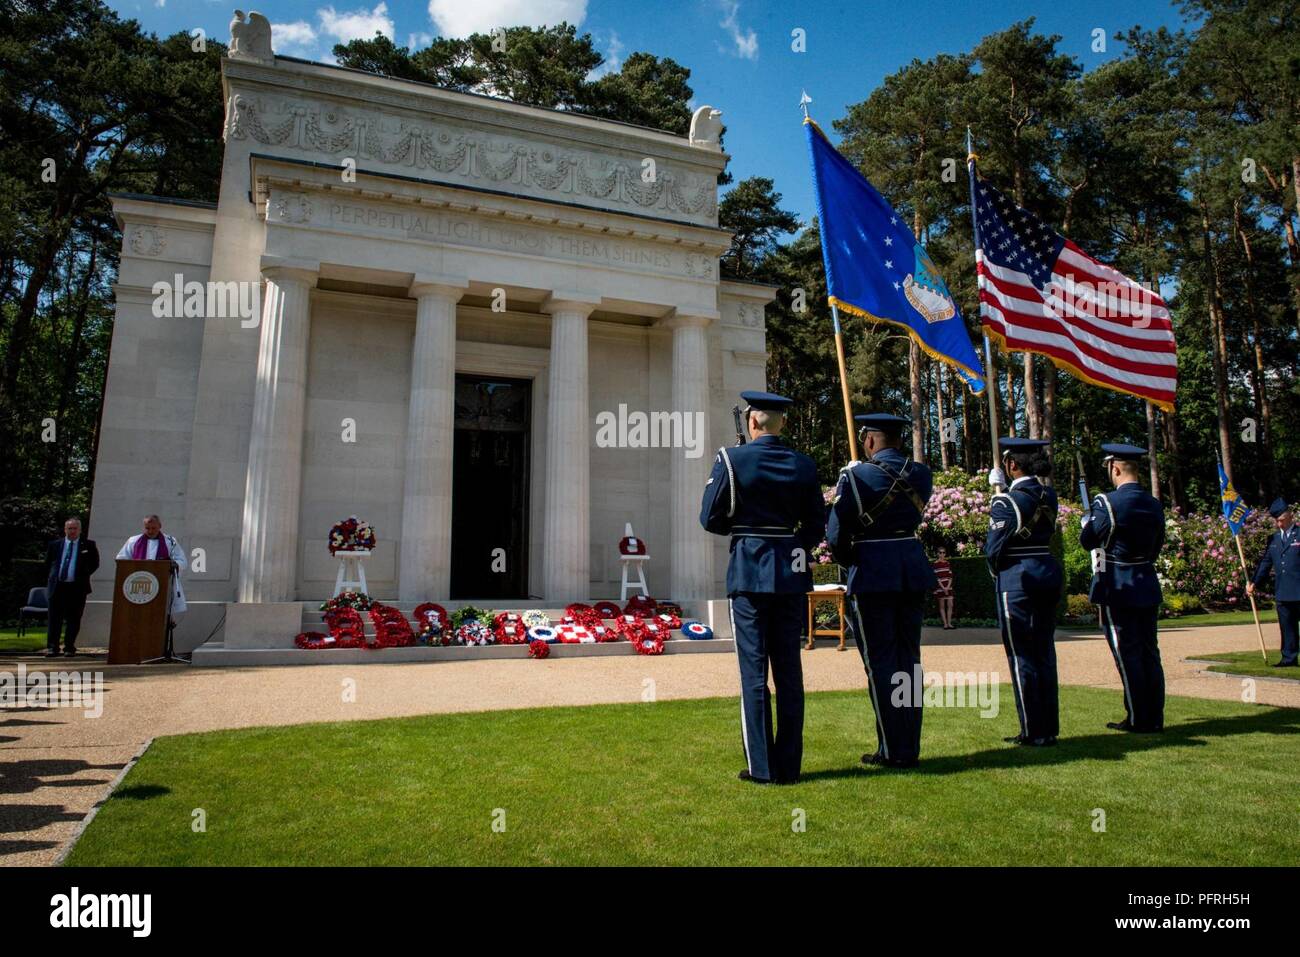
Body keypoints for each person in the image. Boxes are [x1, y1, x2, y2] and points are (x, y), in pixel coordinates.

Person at [700, 391, 826, 785]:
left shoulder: (731, 460)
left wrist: (744, 530)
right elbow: (817, 525)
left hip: (749, 571)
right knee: (789, 671)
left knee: (752, 674)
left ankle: (761, 766)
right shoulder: (804, 466)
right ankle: (789, 766)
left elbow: (709, 517)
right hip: (789, 574)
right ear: (782, 423)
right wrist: (790, 545)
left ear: (752, 423)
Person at [826, 412, 936, 769]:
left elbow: (836, 534)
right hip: (911, 569)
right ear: (899, 439)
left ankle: (893, 749)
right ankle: (909, 744)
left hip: (873, 570)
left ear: (870, 440)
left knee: (881, 663)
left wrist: (850, 559)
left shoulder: (856, 476)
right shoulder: (921, 474)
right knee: (909, 661)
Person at [1080, 443, 1166, 733]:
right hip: (1145, 581)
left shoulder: (1108, 502)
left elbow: (1089, 539)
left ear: (1115, 468)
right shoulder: (1153, 503)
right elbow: (1156, 546)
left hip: (1119, 585)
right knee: (1149, 652)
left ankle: (1138, 717)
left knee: (1127, 652)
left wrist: (1086, 523)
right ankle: (1154, 715)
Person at [985, 438, 1062, 746]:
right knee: (1044, 652)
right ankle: (1049, 727)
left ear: (1011, 465)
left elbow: (993, 550)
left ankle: (1033, 729)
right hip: (1046, 570)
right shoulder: (1050, 495)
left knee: (1021, 655)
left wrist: (1000, 496)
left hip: (1018, 578)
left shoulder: (1007, 502)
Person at [1247, 497, 1299, 668]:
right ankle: (1288, 658)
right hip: (1283, 591)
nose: (1279, 524)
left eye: (1282, 520)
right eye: (1277, 521)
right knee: (1287, 628)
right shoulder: (1274, 539)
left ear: (1290, 516)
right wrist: (1254, 582)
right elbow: (1265, 563)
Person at [45, 517, 101, 657]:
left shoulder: (88, 545)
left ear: (80, 530)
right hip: (57, 587)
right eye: (69, 528)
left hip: (77, 588)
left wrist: (82, 575)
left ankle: (69, 647)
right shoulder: (55, 545)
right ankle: (53, 647)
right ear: (65, 529)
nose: (72, 531)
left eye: (75, 528)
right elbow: (48, 563)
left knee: (74, 619)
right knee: (54, 618)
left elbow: (95, 563)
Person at [117, 515, 188, 620]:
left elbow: (182, 561)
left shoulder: (170, 542)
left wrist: (173, 564)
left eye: (153, 528)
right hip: (138, 587)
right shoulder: (133, 541)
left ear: (160, 526)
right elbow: (121, 560)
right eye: (147, 528)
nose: (150, 531)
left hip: (161, 586)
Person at [933, 547, 955, 630]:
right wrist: (943, 588)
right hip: (940, 588)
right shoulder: (935, 564)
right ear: (937, 554)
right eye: (940, 552)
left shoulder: (948, 563)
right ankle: (945, 624)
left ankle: (949, 623)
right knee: (942, 607)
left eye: (943, 552)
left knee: (950, 605)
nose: (942, 554)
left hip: (948, 587)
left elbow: (950, 577)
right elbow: (936, 578)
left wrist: (947, 587)